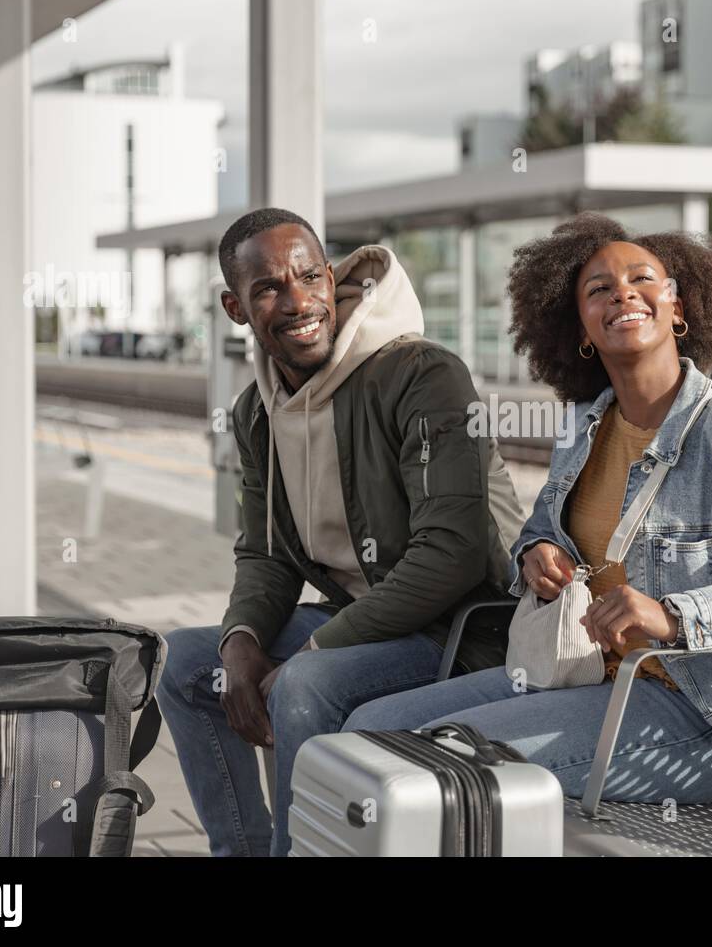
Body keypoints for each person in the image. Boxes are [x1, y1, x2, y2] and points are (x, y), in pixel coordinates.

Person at [342, 212, 712, 808]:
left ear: (678, 308)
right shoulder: (586, 429)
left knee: (440, 769)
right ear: (583, 330)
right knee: (367, 730)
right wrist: (538, 554)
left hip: (696, 716)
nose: (622, 292)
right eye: (598, 289)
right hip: (585, 678)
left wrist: (676, 616)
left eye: (643, 279)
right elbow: (545, 531)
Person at [156, 208, 525, 856]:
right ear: (235, 307)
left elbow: (457, 551)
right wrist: (240, 644)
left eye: (308, 276)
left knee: (304, 685)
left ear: (331, 278)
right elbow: (267, 553)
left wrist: (318, 647)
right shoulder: (256, 411)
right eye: (268, 287)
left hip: (467, 631)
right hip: (369, 623)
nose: (297, 300)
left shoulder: (422, 374)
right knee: (188, 663)